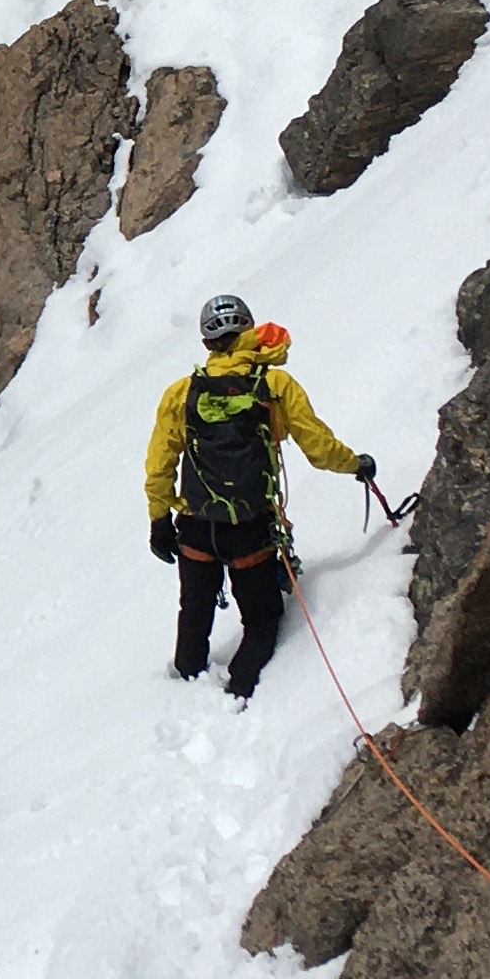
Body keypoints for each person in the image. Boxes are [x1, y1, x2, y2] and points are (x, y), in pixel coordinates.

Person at [144, 292, 372, 701]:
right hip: (250, 529)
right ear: (249, 331)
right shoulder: (274, 385)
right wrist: (356, 465)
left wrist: (160, 519)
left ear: (207, 344)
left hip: (196, 527)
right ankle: (241, 688)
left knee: (194, 615)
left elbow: (161, 461)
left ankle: (185, 683)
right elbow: (318, 447)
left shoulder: (182, 393)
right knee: (263, 619)